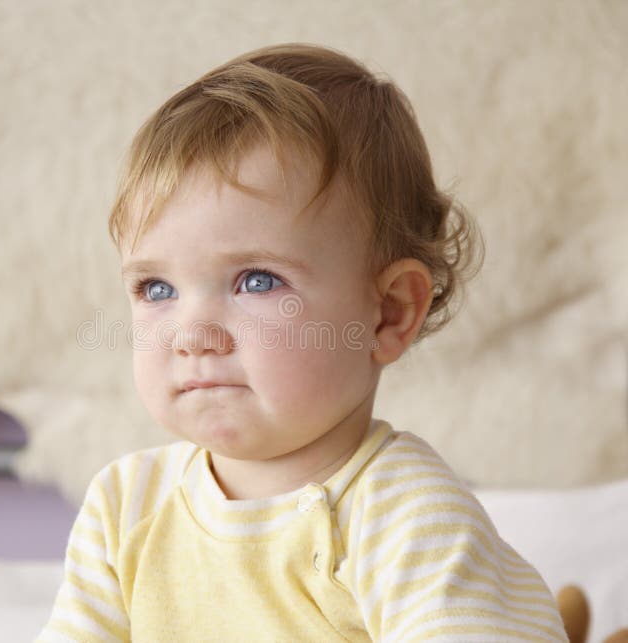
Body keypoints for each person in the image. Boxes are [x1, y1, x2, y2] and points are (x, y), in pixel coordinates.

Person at [37, 43, 567, 642]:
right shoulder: (124, 506)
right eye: (156, 287)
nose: (193, 333)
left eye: (256, 281)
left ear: (389, 312)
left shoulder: (405, 515)